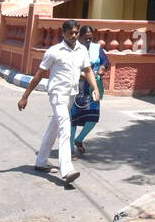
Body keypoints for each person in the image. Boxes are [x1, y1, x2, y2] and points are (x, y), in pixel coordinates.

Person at [19, 19, 99, 184]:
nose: (74, 36)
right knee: (65, 127)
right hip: (57, 94)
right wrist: (25, 96)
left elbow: (88, 70)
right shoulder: (54, 51)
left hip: (71, 95)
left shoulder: (82, 50)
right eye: (71, 33)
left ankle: (41, 162)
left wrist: (95, 88)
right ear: (63, 33)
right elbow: (39, 75)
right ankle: (67, 169)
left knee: (54, 128)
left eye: (76, 32)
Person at [69, 24, 110, 156]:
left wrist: (103, 67)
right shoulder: (73, 49)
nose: (88, 41)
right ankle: (70, 150)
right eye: (85, 38)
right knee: (73, 120)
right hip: (76, 88)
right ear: (79, 37)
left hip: (92, 88)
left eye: (90, 38)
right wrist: (85, 74)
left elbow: (105, 61)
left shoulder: (96, 48)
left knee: (93, 117)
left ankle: (79, 139)